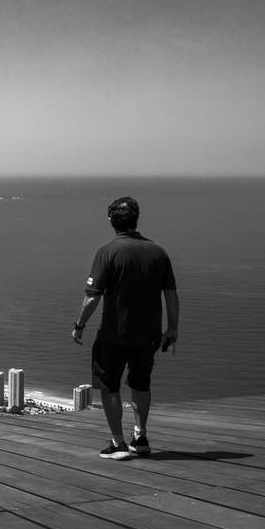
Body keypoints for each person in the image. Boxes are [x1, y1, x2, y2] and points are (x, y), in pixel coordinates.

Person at [71, 196, 179, 460]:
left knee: (109, 386)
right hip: (149, 334)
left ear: (111, 221)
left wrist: (79, 325)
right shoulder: (158, 252)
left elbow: (92, 297)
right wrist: (172, 329)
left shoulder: (107, 252)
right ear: (136, 219)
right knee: (141, 384)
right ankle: (140, 437)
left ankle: (118, 443)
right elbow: (171, 294)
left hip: (113, 334)